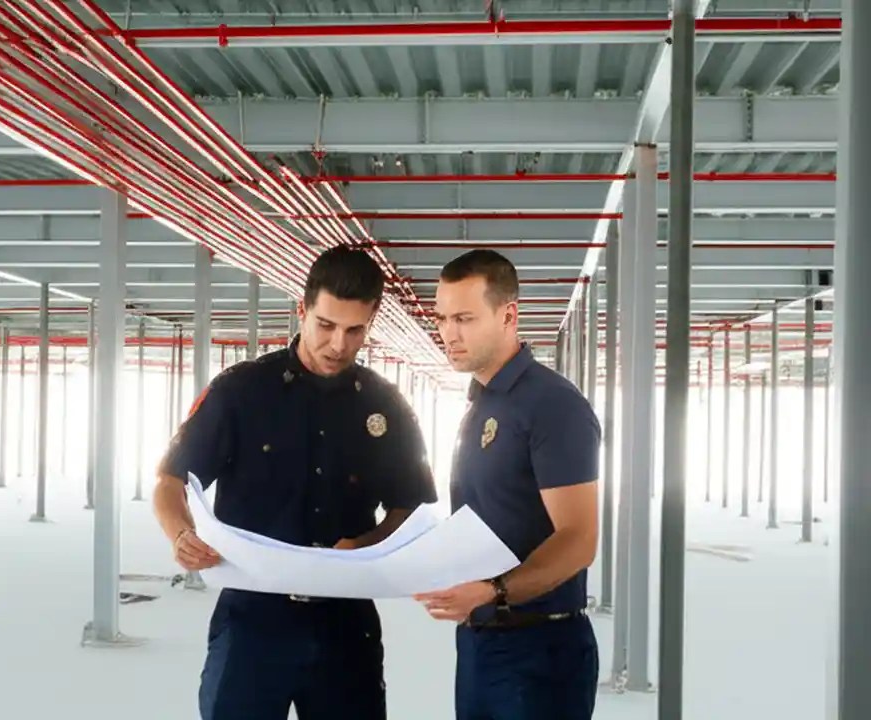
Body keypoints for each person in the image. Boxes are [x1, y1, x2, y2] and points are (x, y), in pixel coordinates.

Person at [152, 245, 438, 720]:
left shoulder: (385, 407)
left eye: (355, 330)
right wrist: (180, 533)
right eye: (326, 325)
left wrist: (367, 544)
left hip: (346, 624)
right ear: (302, 309)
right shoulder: (241, 391)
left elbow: (413, 510)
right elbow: (170, 478)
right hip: (251, 621)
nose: (339, 344)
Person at [414, 249, 601, 719]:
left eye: (464, 318)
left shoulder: (551, 405)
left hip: (540, 648)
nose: (448, 333)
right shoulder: (483, 402)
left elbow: (579, 540)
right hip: (483, 640)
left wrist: (495, 591)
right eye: (441, 318)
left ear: (508, 315)